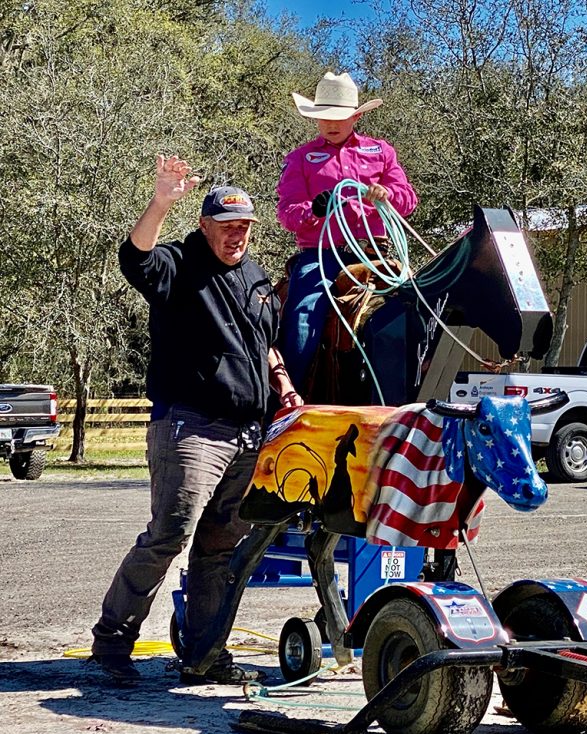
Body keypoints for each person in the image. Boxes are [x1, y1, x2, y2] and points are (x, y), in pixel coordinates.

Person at [90, 154, 302, 685]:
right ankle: (113, 640)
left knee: (220, 548)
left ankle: (205, 655)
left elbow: (265, 347)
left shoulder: (255, 278)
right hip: (191, 428)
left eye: (245, 227)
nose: (237, 236)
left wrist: (286, 389)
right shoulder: (179, 265)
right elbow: (134, 258)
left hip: (248, 434)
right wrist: (160, 201)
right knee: (169, 533)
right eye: (227, 227)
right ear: (204, 226)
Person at [276, 71, 418, 399]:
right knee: (302, 316)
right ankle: (290, 398)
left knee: (421, 301)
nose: (331, 123)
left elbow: (407, 199)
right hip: (322, 255)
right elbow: (287, 213)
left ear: (356, 115)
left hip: (376, 252)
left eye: (340, 117)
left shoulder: (381, 152)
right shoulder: (300, 159)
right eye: (324, 117)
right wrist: (314, 210)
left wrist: (388, 195)